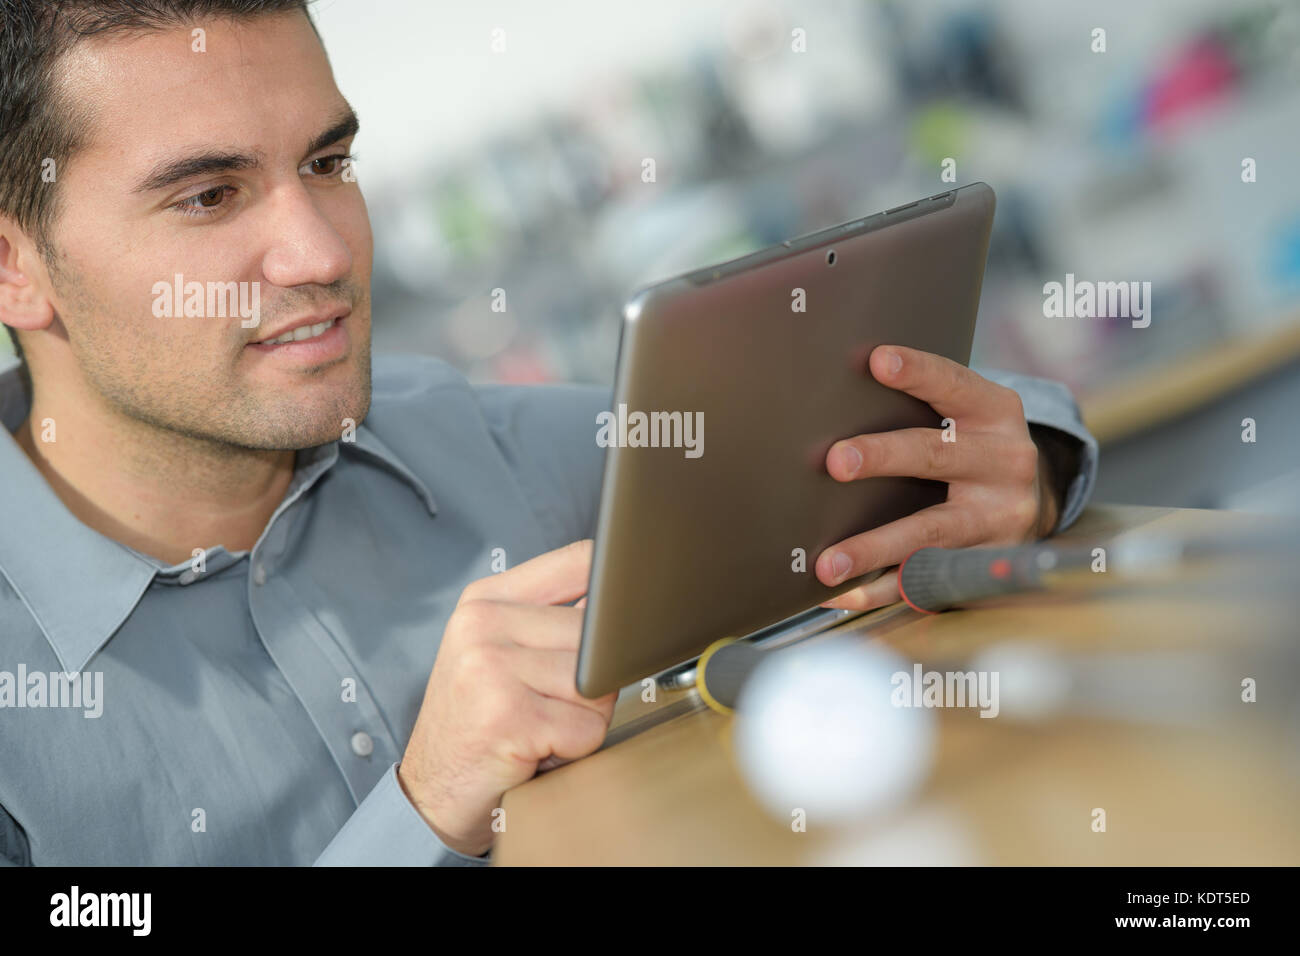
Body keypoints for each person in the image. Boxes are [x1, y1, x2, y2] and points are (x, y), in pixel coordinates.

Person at [0, 0, 1097, 865]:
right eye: (207, 197)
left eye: (327, 165)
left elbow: (877, 440)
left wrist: (1018, 468)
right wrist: (424, 810)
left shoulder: (476, 444)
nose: (320, 252)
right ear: (16, 264)